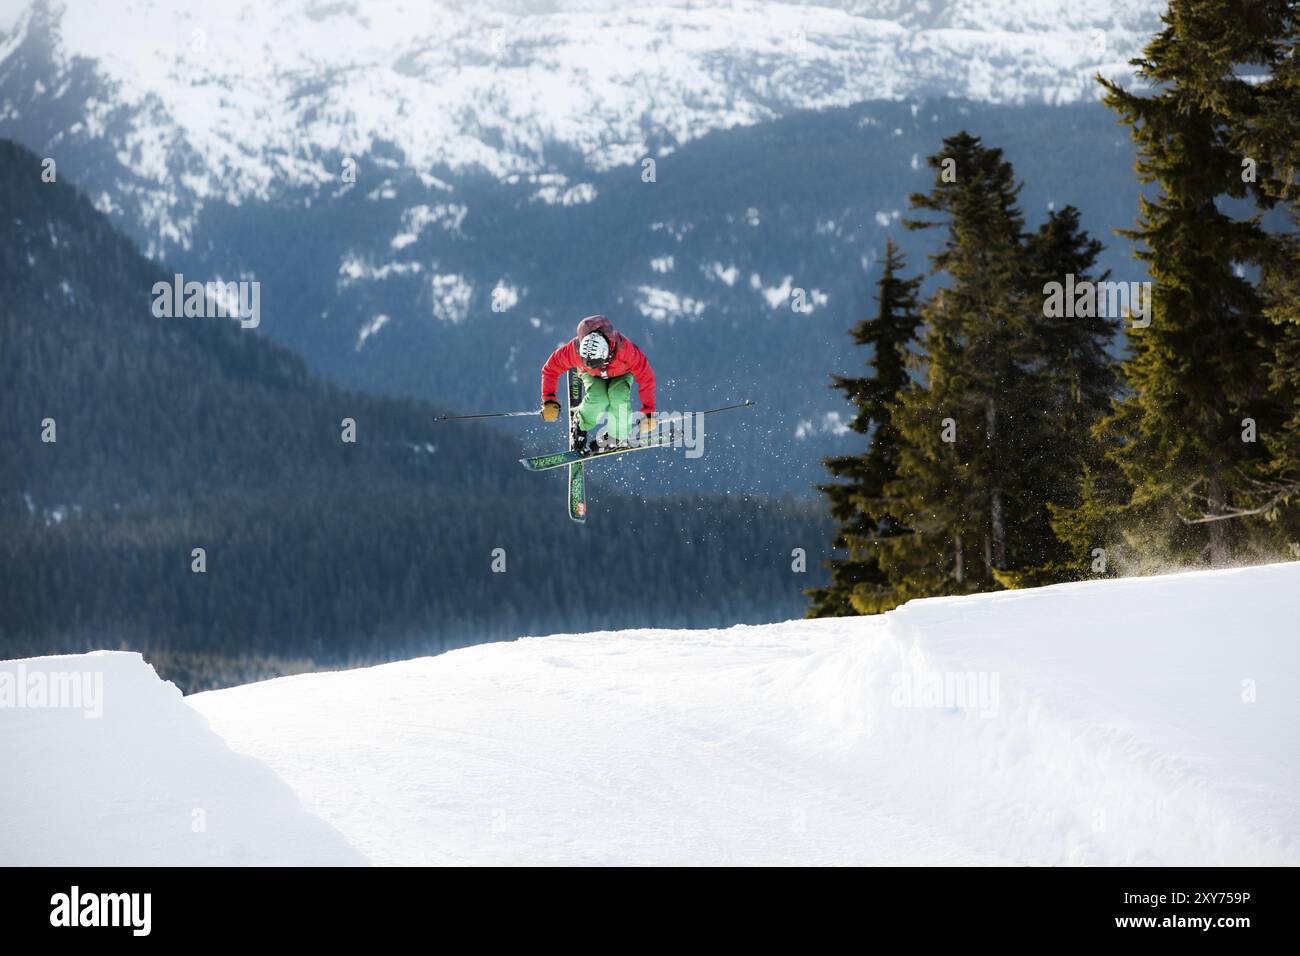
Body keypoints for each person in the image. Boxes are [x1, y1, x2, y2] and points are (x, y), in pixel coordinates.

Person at [540, 315, 656, 451]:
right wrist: (549, 400)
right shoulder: (574, 350)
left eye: (596, 363)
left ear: (606, 354)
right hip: (591, 375)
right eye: (586, 361)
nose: (594, 366)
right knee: (598, 398)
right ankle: (580, 425)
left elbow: (646, 376)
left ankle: (616, 436)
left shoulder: (624, 349)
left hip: (621, 374)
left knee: (619, 397)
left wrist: (648, 412)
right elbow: (551, 369)